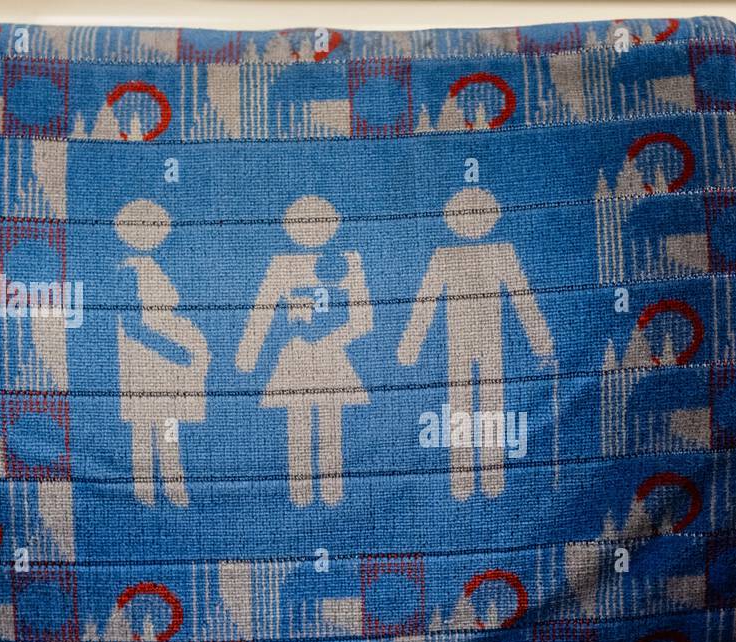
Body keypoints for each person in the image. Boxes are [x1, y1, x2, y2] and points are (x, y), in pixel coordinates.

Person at [398, 187, 554, 500]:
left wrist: (542, 343)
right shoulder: (444, 256)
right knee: (460, 410)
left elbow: (523, 299)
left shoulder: (502, 253)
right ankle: (462, 479)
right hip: (459, 343)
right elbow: (425, 302)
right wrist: (410, 346)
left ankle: (493, 477)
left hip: (490, 342)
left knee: (491, 409)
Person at [236, 196, 373, 507]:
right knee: (297, 425)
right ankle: (300, 492)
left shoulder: (348, 261)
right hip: (293, 355)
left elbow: (363, 319)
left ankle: (332, 490)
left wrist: (329, 338)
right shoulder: (283, 264)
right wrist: (248, 351)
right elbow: (263, 309)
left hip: (330, 356)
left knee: (330, 424)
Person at [115, 199, 211, 508]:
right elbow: (134, 326)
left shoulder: (149, 265)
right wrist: (181, 353)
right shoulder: (128, 270)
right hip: (144, 361)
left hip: (164, 364)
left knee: (168, 426)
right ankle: (146, 494)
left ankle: (173, 488)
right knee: (144, 429)